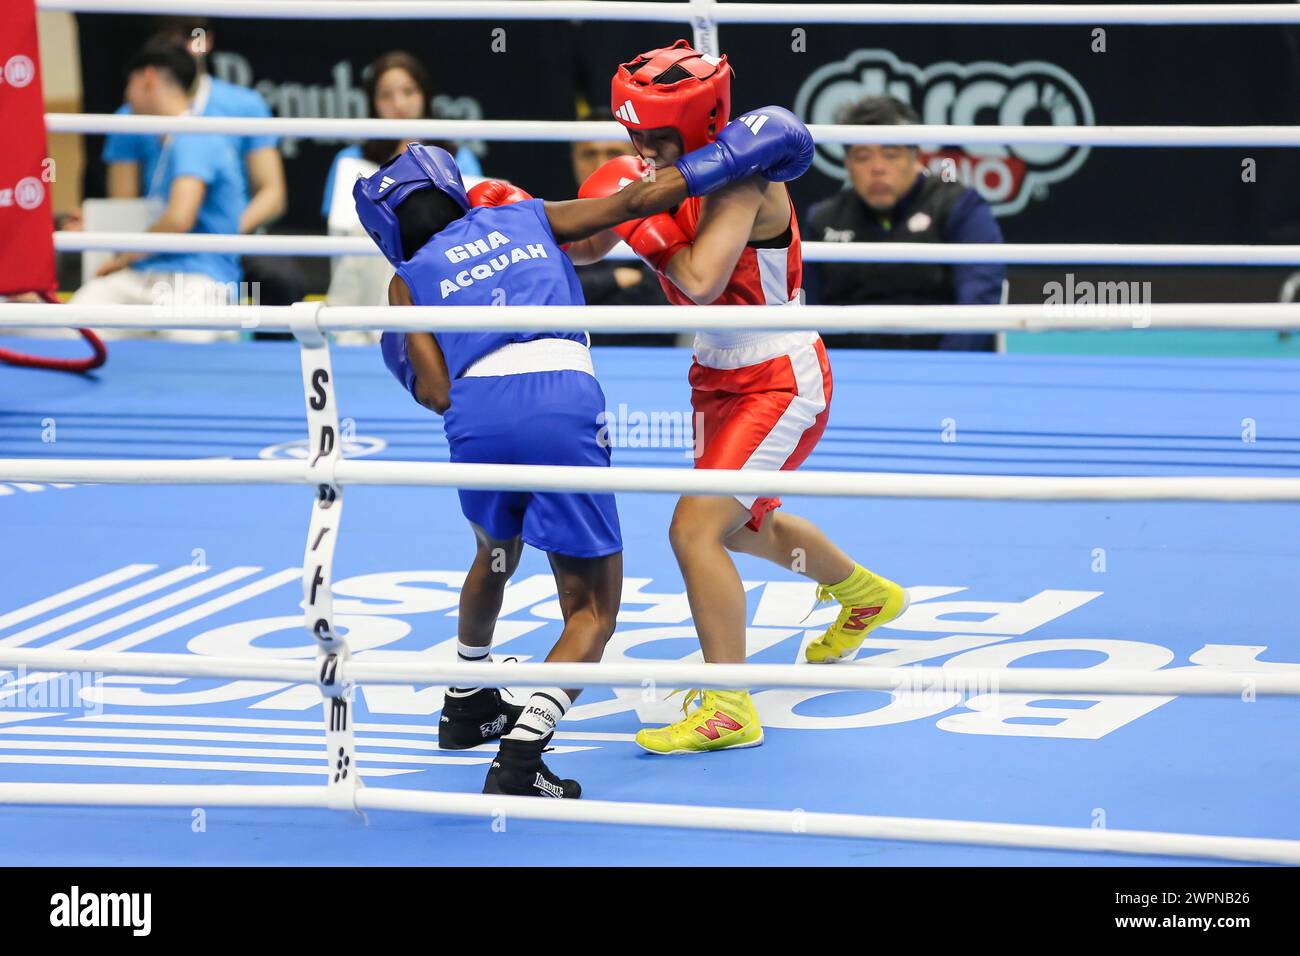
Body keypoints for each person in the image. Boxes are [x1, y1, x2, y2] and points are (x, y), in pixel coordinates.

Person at [353, 129, 799, 794]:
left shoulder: (405, 281)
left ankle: (467, 701)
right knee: (591, 610)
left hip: (476, 418)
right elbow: (633, 202)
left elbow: (438, 392)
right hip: (558, 404)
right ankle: (521, 756)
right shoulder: (521, 216)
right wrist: (722, 160)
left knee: (495, 553)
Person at [565, 40, 911, 755]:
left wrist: (641, 220)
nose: (641, 148)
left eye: (655, 136)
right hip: (715, 372)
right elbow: (585, 248)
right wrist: (524, 224)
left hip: (779, 376)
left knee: (695, 529)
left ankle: (729, 705)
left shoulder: (745, 182)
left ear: (697, 123)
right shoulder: (651, 171)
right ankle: (865, 595)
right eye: (634, 134)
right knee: (743, 529)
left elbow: (700, 281)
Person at [100, 18, 299, 309]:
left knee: (279, 279)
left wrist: (222, 234)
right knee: (93, 302)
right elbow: (124, 206)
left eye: (186, 37)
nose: (178, 48)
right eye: (167, 39)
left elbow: (273, 195)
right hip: (153, 247)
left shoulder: (242, 106)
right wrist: (105, 230)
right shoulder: (129, 117)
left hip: (224, 244)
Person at [806, 95, 1006, 351]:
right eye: (862, 156)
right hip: (841, 366)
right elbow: (804, 316)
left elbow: (979, 300)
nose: (877, 168)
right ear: (848, 164)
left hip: (938, 362)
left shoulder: (959, 206)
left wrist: (944, 367)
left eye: (891, 154)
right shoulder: (823, 219)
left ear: (916, 157)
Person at [71, 38, 245, 330]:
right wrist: (95, 226)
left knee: (184, 342)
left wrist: (123, 258)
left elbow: (178, 219)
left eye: (130, 84)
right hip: (145, 273)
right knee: (76, 321)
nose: (127, 96)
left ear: (148, 78)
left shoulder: (196, 135)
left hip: (200, 277)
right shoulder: (166, 142)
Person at [322, 51, 483, 321]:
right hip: (368, 282)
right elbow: (339, 232)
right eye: (386, 95)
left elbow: (473, 226)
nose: (398, 104)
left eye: (408, 92)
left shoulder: (459, 157)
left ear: (425, 95)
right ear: (373, 103)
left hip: (444, 274)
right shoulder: (349, 161)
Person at [568, 106, 669, 345]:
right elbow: (550, 290)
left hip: (647, 352)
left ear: (636, 157)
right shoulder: (556, 217)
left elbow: (656, 299)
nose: (600, 164)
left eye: (613, 153)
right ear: (573, 159)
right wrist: (614, 279)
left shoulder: (662, 213)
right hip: (572, 350)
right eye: (589, 154)